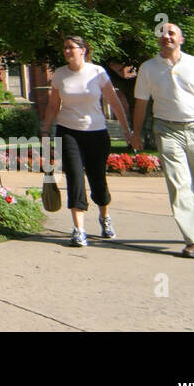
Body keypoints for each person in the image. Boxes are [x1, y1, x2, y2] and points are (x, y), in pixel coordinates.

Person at [130, 22, 194, 258]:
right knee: (178, 184)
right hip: (166, 129)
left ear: (181, 39)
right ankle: (193, 239)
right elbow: (141, 103)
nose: (166, 36)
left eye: (171, 33)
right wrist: (135, 133)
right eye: (162, 33)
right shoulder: (148, 68)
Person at [41, 36, 134, 247]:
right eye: (64, 48)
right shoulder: (60, 75)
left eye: (70, 48)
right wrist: (45, 128)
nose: (66, 51)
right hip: (68, 131)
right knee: (74, 176)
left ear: (83, 50)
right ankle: (79, 229)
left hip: (96, 132)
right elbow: (54, 106)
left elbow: (114, 101)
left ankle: (104, 216)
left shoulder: (97, 72)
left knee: (97, 178)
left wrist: (126, 129)